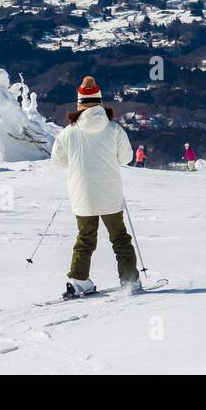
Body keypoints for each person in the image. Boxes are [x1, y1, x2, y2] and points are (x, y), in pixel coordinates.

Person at [51, 76, 141, 298]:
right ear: (100, 102)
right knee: (119, 238)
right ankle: (129, 280)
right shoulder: (114, 129)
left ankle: (79, 280)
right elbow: (127, 157)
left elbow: (58, 162)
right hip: (110, 192)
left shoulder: (69, 132)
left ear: (79, 103)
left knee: (85, 238)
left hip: (83, 194)